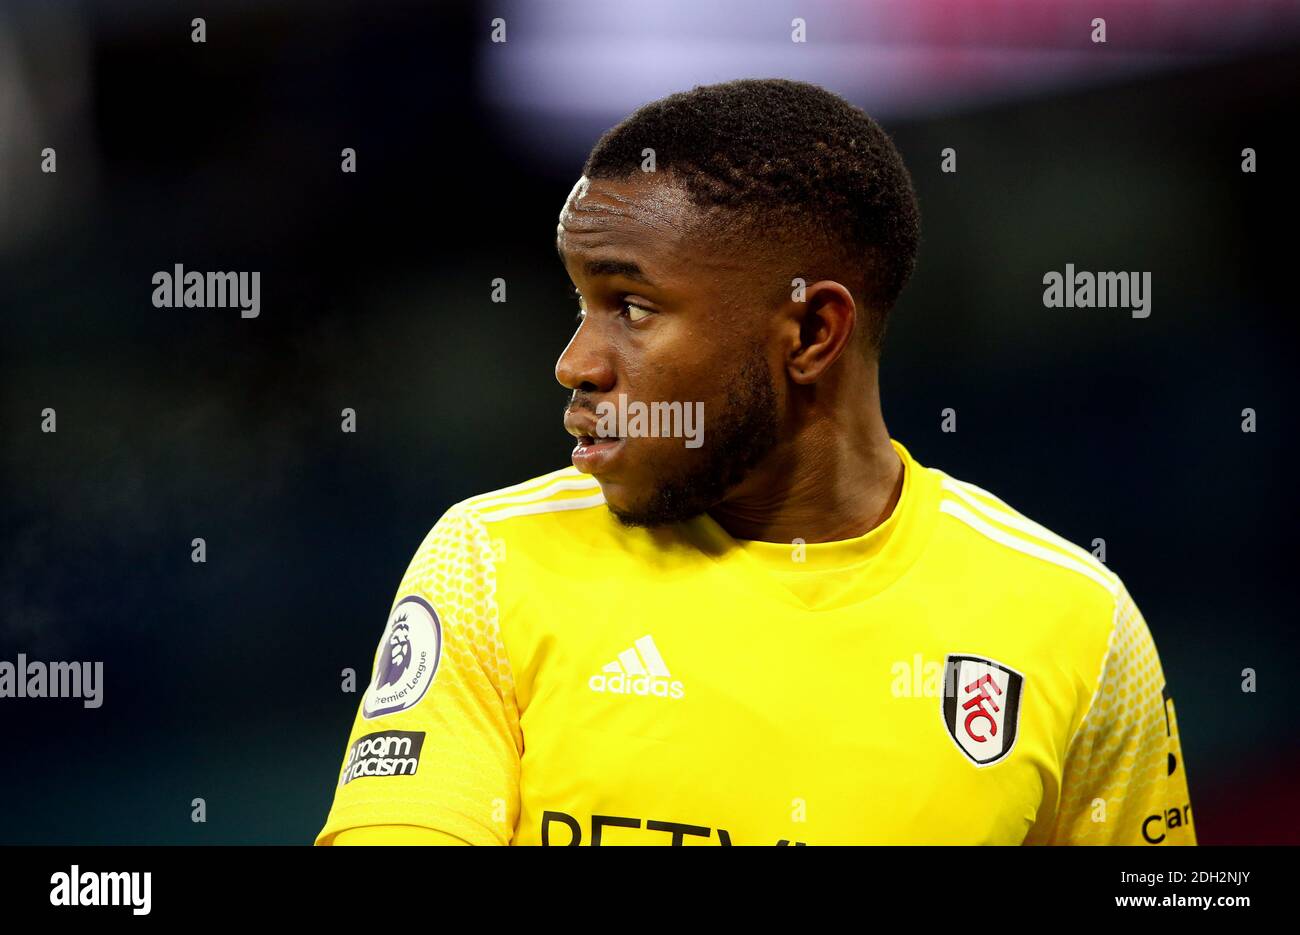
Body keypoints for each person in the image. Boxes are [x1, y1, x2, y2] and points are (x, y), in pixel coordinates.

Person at [316, 78, 1194, 845]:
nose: (576, 360)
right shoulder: (488, 564)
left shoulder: (1075, 622)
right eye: (581, 301)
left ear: (812, 332)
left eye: (631, 305)